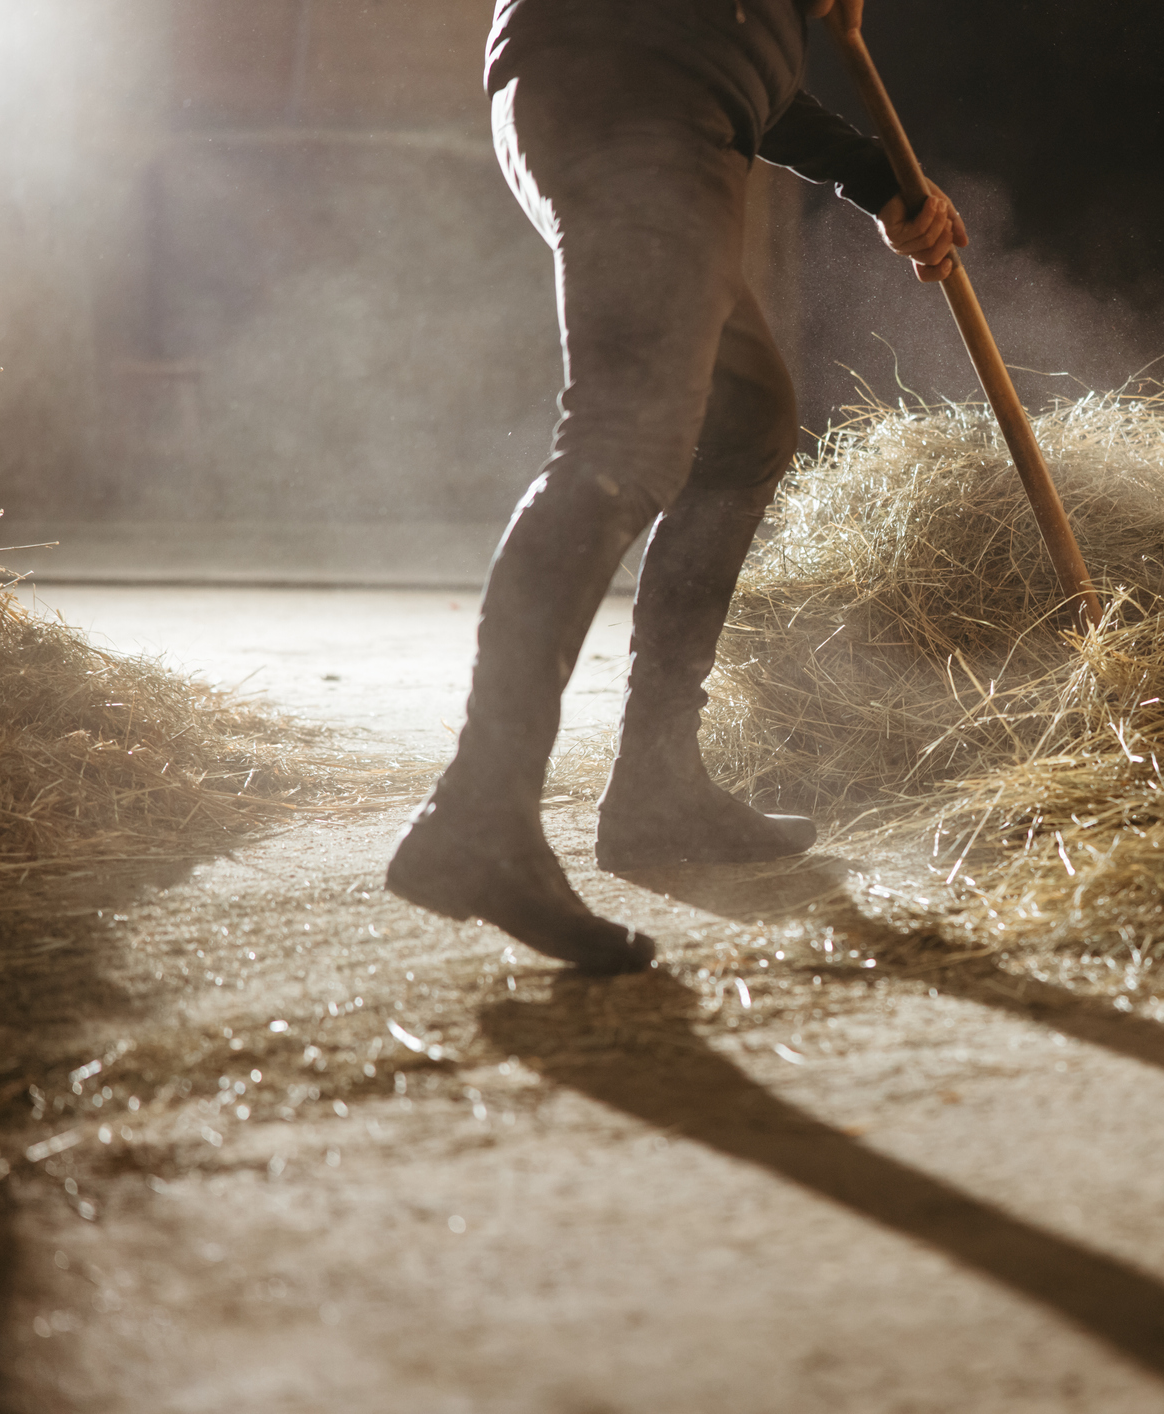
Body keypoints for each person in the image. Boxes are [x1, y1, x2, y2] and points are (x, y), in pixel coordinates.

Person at [385, 0, 965, 973]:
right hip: (630, 87)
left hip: (660, 89)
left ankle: (657, 783)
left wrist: (873, 176)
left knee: (742, 428)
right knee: (624, 437)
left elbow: (743, 63)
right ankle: (478, 811)